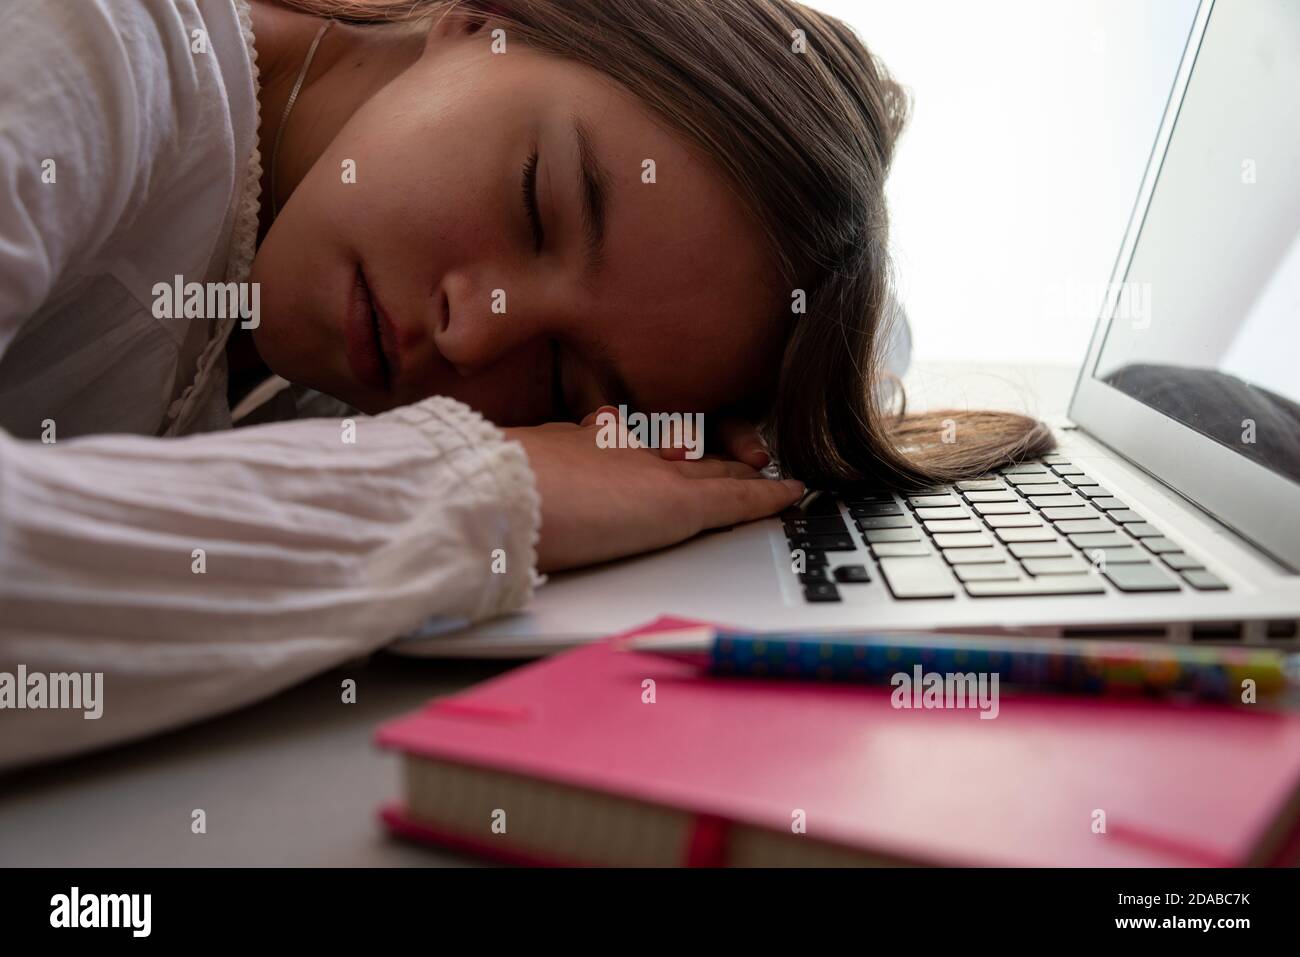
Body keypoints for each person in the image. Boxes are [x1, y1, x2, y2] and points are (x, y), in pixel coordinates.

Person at [0, 0, 1049, 768]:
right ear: (482, 22)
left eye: (561, 376)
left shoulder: (309, 346)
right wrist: (487, 492)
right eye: (538, 203)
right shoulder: (93, 44)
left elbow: (869, 330)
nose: (468, 336)